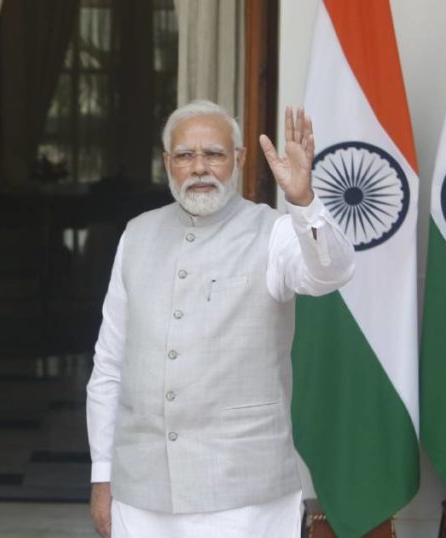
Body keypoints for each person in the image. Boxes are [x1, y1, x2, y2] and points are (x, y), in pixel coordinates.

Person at [86, 100, 355, 537]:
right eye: (185, 155)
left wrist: (304, 202)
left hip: (244, 491)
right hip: (141, 487)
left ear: (239, 159)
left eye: (213, 154)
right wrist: (102, 475)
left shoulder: (275, 231)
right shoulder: (137, 234)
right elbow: (109, 365)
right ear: (167, 163)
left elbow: (331, 273)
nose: (199, 167)